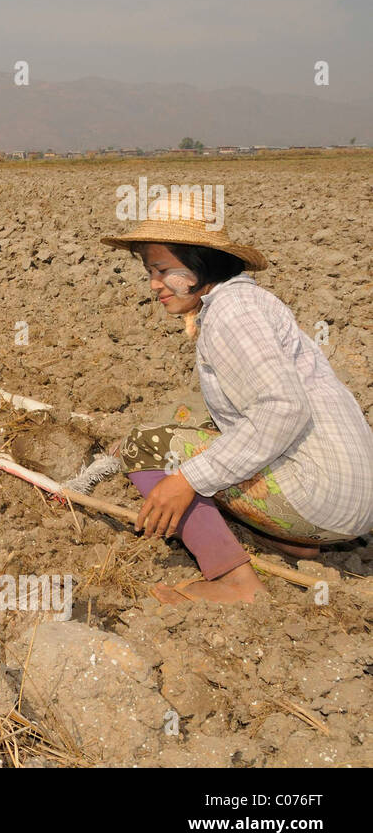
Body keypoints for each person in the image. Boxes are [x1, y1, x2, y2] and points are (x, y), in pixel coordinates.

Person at [103, 196, 373, 603]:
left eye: (161, 270)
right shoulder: (242, 302)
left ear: (199, 263)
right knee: (197, 441)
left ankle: (236, 581)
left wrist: (187, 479)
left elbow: (283, 408)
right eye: (150, 272)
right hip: (349, 499)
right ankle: (295, 543)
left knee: (149, 447)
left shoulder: (232, 314)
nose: (154, 285)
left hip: (321, 496)